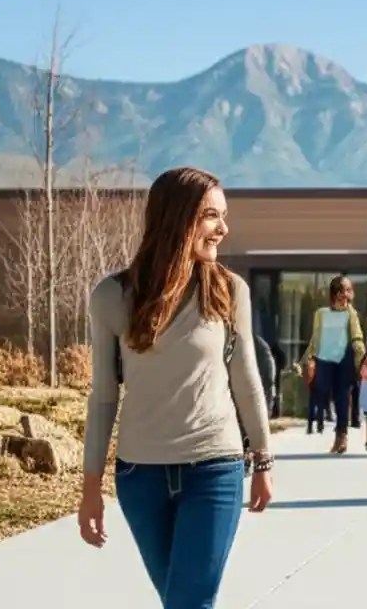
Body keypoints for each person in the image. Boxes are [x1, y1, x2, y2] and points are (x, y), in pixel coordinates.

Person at [77, 167, 273, 608]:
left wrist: (262, 460)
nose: (224, 228)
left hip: (214, 470)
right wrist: (91, 490)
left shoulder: (228, 290)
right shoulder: (112, 296)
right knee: (179, 602)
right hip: (139, 478)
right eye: (210, 215)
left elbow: (246, 380)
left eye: (223, 215)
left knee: (189, 603)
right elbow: (104, 397)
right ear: (176, 218)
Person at [299, 275, 367, 453]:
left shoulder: (350, 314)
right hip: (325, 359)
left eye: (347, 290)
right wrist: (306, 358)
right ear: (334, 292)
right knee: (323, 392)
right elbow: (316, 338)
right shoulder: (321, 314)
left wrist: (361, 355)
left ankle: (342, 435)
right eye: (341, 290)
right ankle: (333, 428)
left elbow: (357, 336)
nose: (344, 294)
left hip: (344, 359)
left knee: (342, 397)